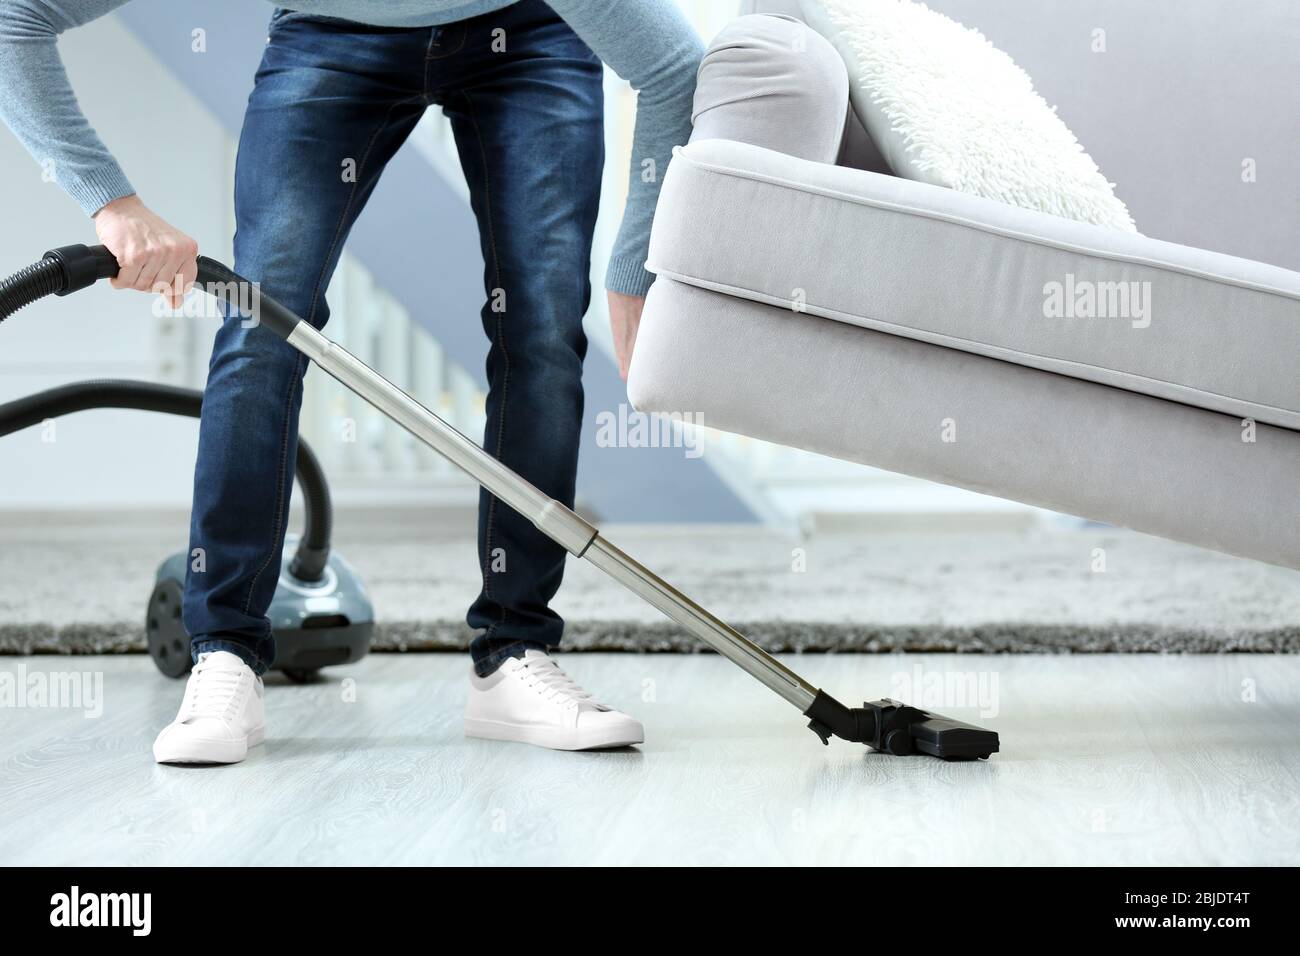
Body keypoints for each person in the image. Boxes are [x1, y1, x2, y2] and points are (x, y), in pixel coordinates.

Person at [0, 0, 704, 761]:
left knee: (541, 330)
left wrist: (635, 268)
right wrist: (112, 202)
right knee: (261, 318)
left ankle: (513, 653)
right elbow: (17, 17)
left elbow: (673, 71)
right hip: (330, 35)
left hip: (527, 35)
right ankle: (226, 653)